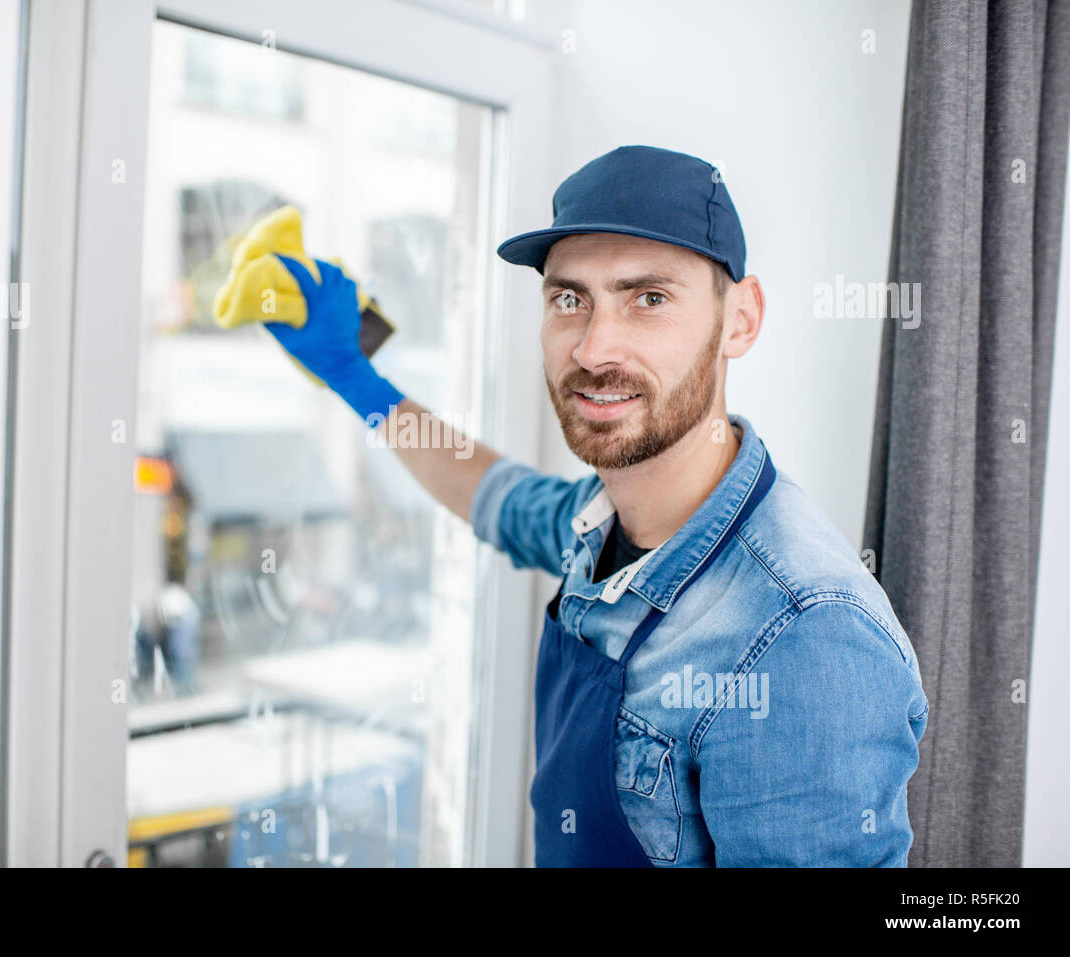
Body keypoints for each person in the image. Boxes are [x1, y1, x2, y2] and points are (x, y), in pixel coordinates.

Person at [266, 145, 929, 867]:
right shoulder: (607, 521)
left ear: (739, 320)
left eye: (649, 298)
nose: (593, 346)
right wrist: (357, 379)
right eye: (569, 298)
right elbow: (496, 498)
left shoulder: (803, 634)